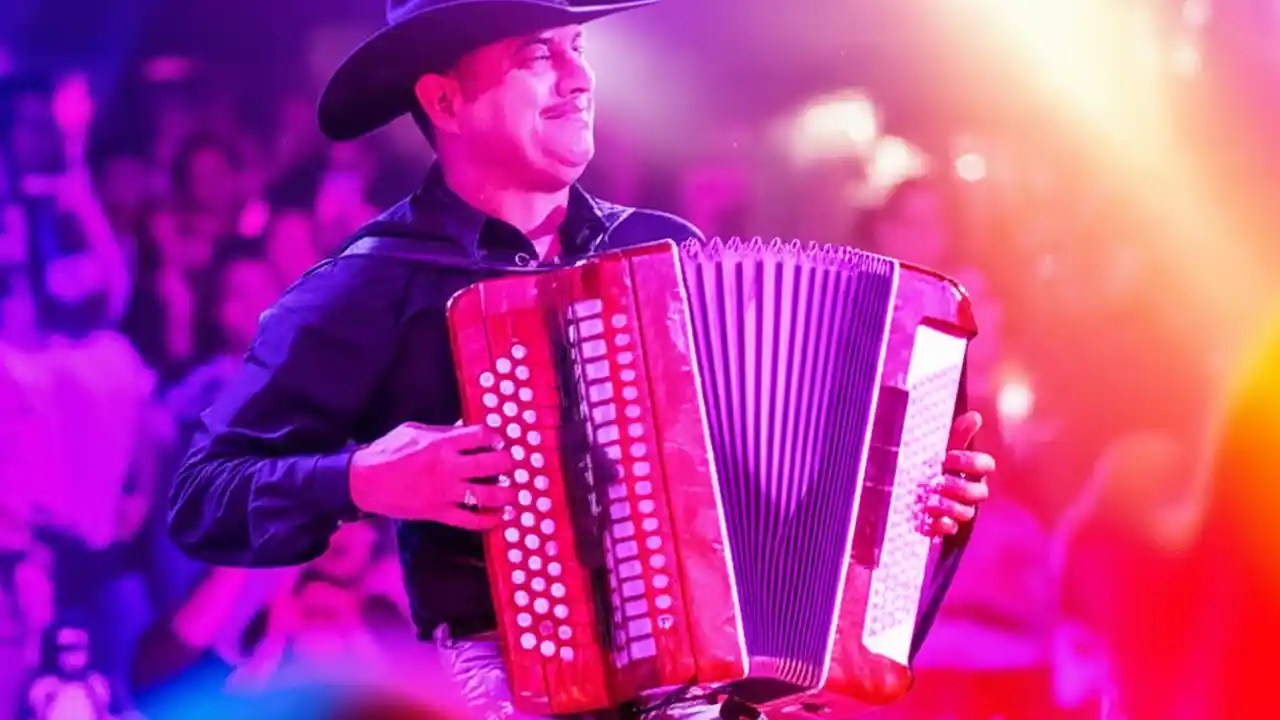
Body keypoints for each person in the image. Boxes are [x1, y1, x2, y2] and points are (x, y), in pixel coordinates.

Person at [168, 1, 995, 717]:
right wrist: (361, 479)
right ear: (445, 100)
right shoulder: (372, 284)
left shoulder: (663, 252)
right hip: (510, 688)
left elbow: (759, 488)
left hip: (707, 692)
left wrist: (909, 501)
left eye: (577, 50)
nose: (576, 77)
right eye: (538, 55)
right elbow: (202, 497)